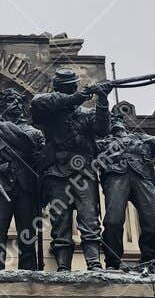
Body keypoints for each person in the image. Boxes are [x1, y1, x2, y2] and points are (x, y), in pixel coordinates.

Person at [30, 69, 109, 272]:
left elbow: (102, 129)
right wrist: (77, 97)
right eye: (63, 90)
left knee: (89, 219)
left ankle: (93, 263)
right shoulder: (48, 111)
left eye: (69, 89)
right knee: (60, 221)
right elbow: (39, 104)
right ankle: (63, 267)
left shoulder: (87, 114)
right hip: (57, 172)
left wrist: (102, 100)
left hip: (83, 173)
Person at [97, 99, 155, 271]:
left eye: (119, 119)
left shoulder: (142, 139)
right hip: (116, 179)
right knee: (112, 222)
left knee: (153, 223)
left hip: (143, 179)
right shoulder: (101, 143)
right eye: (111, 119)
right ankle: (113, 263)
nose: (115, 121)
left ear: (125, 124)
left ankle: (149, 262)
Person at [0, 87, 46, 271]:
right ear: (3, 105)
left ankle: (29, 270)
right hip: (0, 186)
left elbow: (43, 162)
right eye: (10, 101)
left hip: (25, 187)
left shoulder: (34, 132)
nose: (15, 104)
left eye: (18, 101)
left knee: (27, 232)